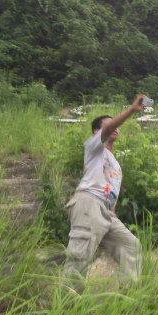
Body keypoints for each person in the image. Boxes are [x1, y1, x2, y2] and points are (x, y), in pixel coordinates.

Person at [62, 95, 146, 285]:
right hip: (89, 204)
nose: (115, 127)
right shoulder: (93, 147)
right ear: (96, 131)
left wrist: (112, 213)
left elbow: (111, 191)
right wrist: (132, 110)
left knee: (131, 247)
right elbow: (107, 129)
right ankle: (65, 306)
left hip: (106, 211)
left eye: (116, 125)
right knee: (78, 261)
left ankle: (128, 299)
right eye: (110, 125)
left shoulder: (114, 162)